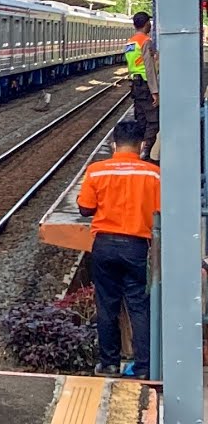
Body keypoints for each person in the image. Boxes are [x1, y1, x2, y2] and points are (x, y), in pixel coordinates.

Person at [77, 119, 161, 379]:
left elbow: (84, 208)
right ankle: (144, 367)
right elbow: (162, 211)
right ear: (142, 145)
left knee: (107, 305)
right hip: (137, 246)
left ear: (114, 144)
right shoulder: (154, 174)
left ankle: (109, 364)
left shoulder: (97, 171)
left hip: (105, 245)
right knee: (138, 305)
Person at [124, 12, 159, 160]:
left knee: (141, 120)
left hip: (135, 85)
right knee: (154, 121)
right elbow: (149, 68)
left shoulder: (130, 42)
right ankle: (144, 153)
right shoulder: (145, 41)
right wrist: (155, 91)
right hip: (145, 85)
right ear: (146, 24)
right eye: (149, 23)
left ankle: (137, 151)